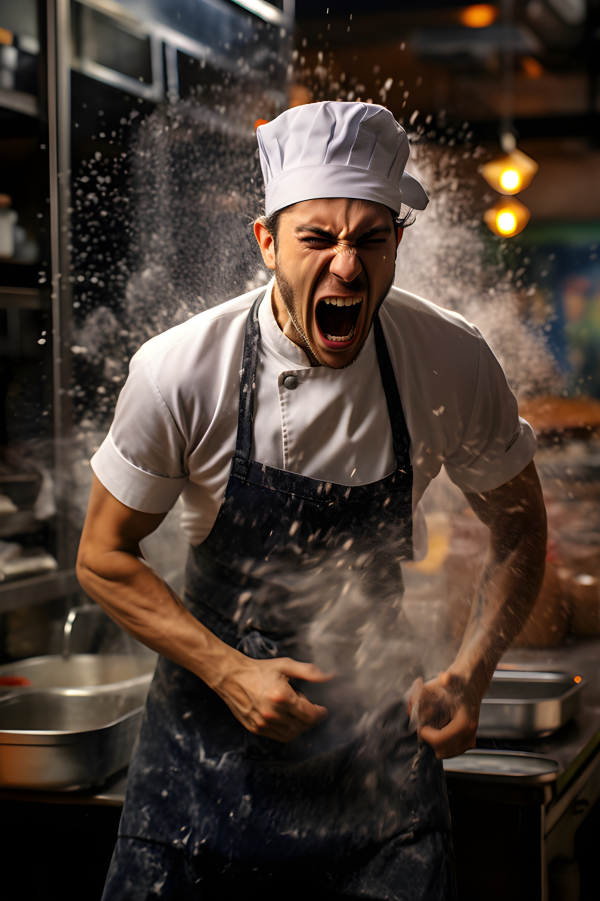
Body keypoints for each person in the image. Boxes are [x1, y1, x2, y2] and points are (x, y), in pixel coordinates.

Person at [78, 101, 547, 901]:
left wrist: (469, 674)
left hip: (379, 769)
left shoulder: (450, 359)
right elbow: (103, 556)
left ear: (399, 242)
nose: (346, 267)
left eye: (370, 238)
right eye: (318, 239)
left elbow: (519, 527)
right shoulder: (181, 371)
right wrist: (230, 672)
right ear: (266, 242)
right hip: (202, 760)